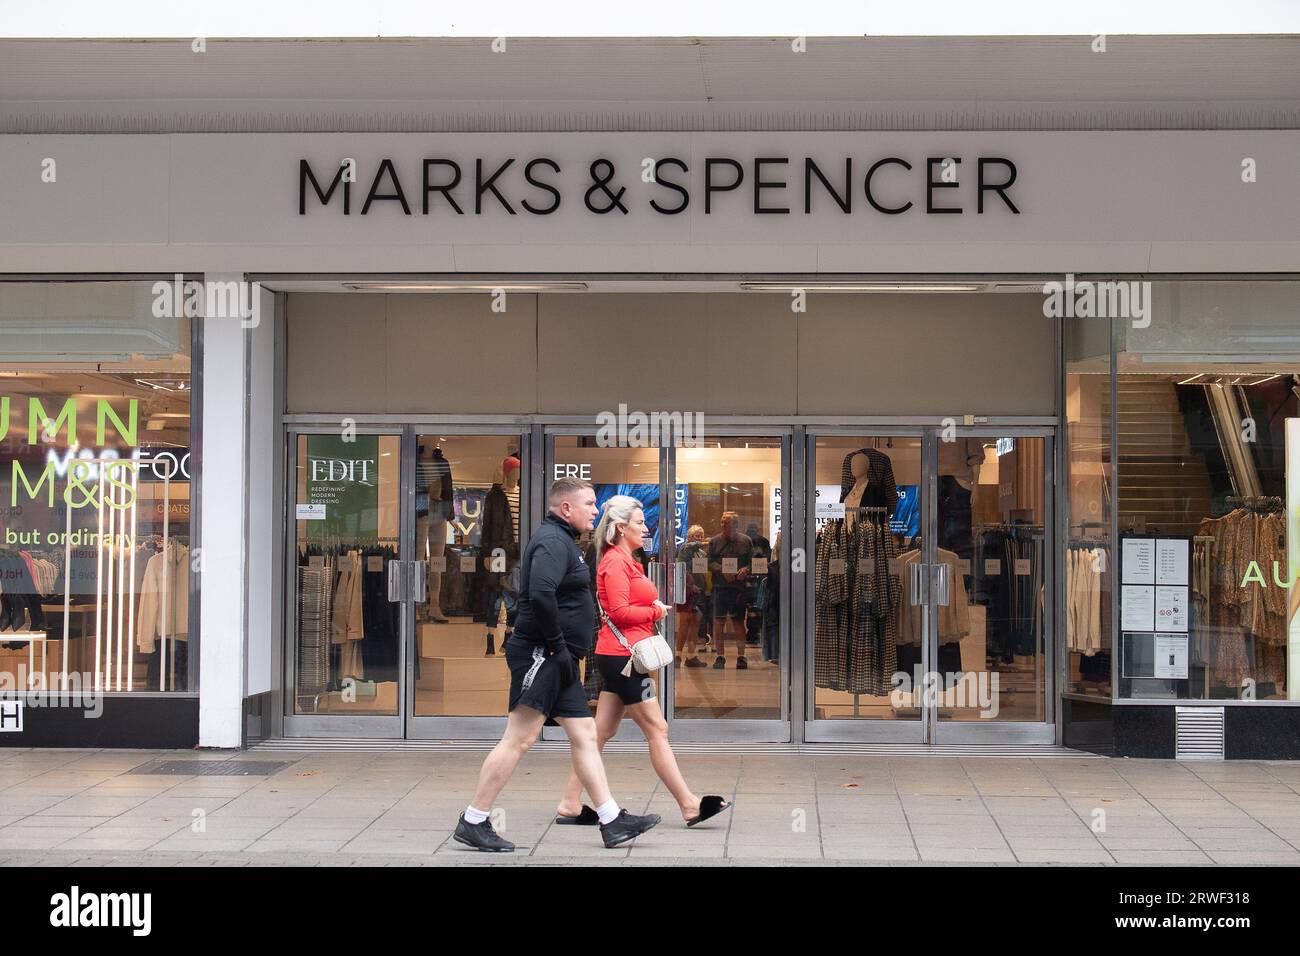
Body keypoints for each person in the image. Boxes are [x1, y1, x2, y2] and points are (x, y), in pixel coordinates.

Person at [454, 478, 662, 852]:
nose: (595, 510)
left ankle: (611, 819)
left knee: (584, 733)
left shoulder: (563, 540)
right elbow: (541, 594)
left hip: (558, 656)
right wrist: (557, 648)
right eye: (588, 504)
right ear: (565, 508)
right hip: (543, 654)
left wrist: (564, 652)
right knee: (520, 737)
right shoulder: (552, 542)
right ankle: (473, 820)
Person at [554, 496, 732, 829]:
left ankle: (569, 802)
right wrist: (655, 611)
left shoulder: (625, 559)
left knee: (601, 732)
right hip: (626, 659)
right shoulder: (615, 563)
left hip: (620, 656)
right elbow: (620, 613)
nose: (645, 527)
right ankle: (689, 804)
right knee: (657, 728)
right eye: (639, 522)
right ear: (621, 528)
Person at [708, 511, 754, 669]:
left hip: (738, 588)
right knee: (718, 621)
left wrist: (746, 570)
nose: (724, 525)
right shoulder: (714, 541)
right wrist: (721, 570)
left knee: (739, 622)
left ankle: (742, 656)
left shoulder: (746, 541)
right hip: (720, 587)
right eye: (723, 523)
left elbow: (753, 562)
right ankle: (720, 656)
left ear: (736, 524)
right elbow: (709, 562)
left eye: (727, 523)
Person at [675, 525, 710, 667]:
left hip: (699, 590)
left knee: (696, 622)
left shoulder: (701, 552)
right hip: (687, 589)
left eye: (702, 535)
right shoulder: (686, 548)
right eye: (697, 536)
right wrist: (708, 542)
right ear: (689, 537)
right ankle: (677, 655)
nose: (700, 538)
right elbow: (684, 567)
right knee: (684, 622)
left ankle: (691, 655)